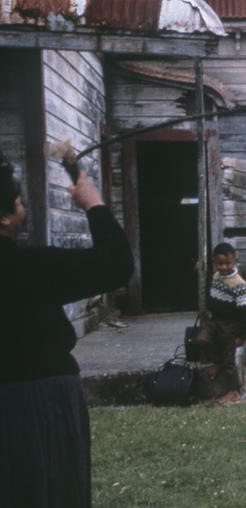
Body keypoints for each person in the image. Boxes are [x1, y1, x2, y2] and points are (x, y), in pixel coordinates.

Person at [0, 152, 133, 506]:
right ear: (4, 218)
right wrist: (94, 205)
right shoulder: (24, 267)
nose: (21, 210)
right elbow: (116, 264)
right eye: (17, 203)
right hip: (37, 405)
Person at [198, 242, 246, 404]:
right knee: (202, 340)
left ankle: (234, 391)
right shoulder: (215, 276)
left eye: (228, 263)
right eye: (220, 264)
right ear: (214, 262)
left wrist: (241, 334)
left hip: (230, 324)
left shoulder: (239, 284)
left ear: (235, 261)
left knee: (230, 359)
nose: (224, 267)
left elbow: (244, 312)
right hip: (215, 321)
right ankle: (217, 362)